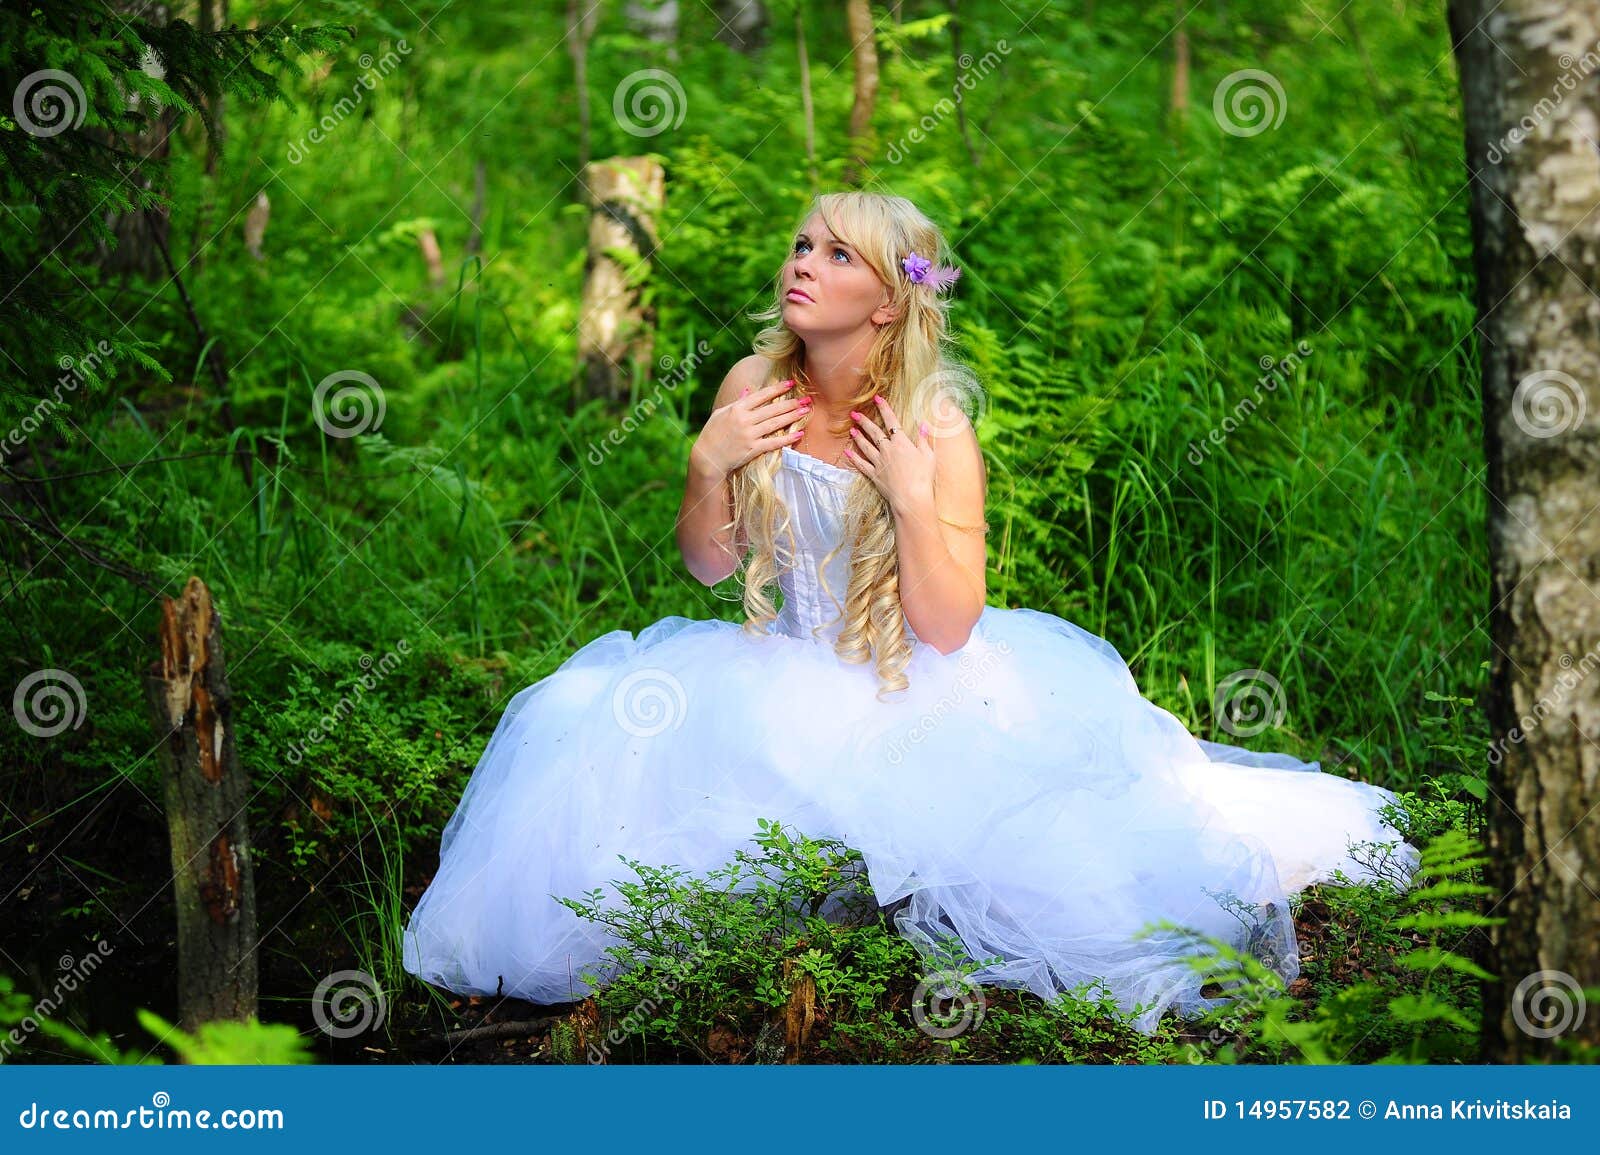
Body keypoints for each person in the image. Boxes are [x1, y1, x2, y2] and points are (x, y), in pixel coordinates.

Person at [401, 191, 1421, 1037]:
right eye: (802, 244)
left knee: (1038, 863)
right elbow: (712, 569)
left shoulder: (932, 426)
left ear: (887, 304)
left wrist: (904, 496)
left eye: (837, 254)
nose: (802, 263)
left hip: (906, 681)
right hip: (765, 668)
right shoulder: (752, 383)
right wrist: (706, 462)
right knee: (598, 745)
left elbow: (947, 628)